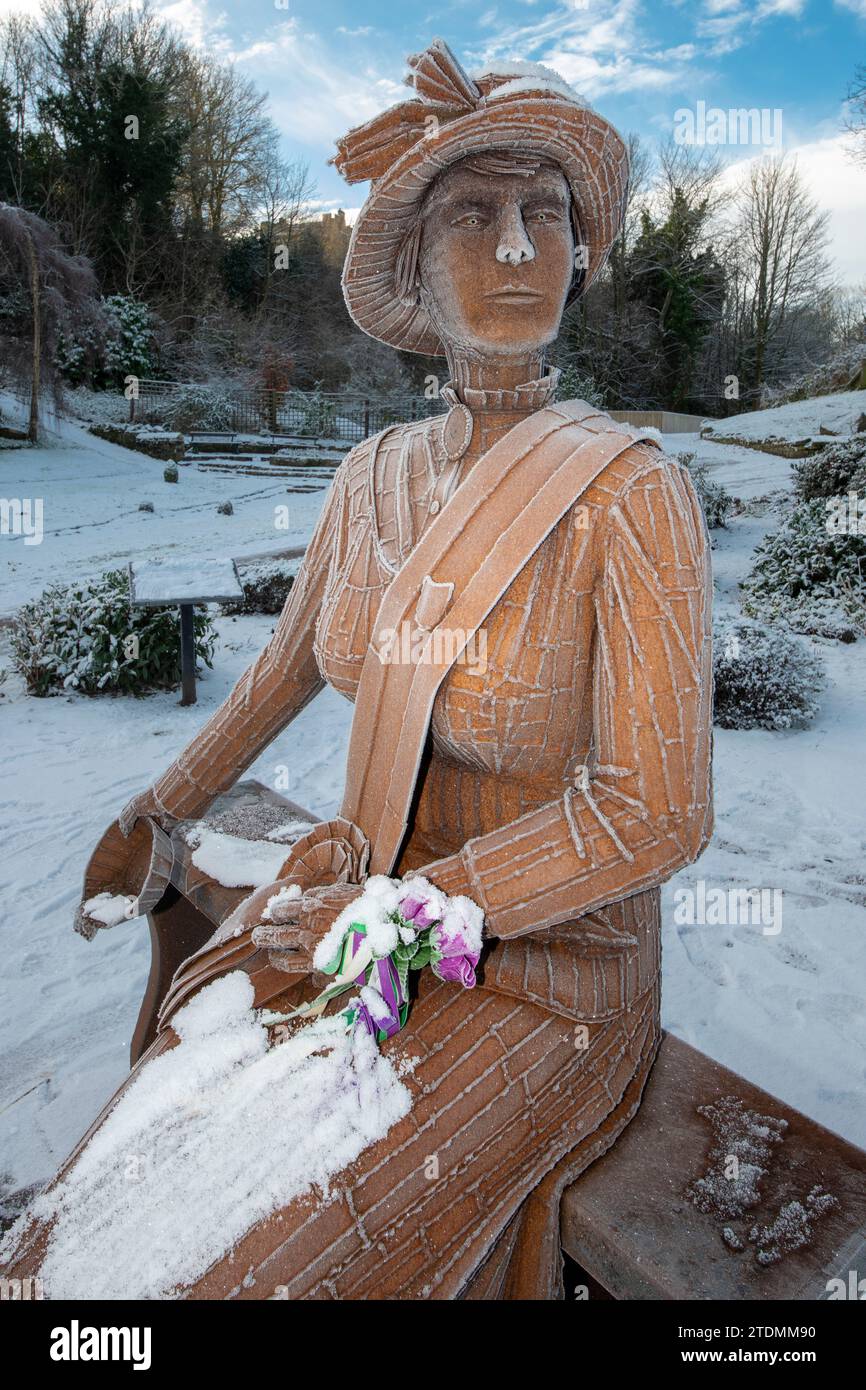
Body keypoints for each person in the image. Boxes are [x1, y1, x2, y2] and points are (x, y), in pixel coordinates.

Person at [35, 39, 716, 1299]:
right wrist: (162, 809)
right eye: (470, 212)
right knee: (114, 1202)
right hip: (350, 906)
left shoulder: (632, 495)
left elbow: (656, 807)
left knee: (255, 1265)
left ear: (580, 249)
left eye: (541, 212)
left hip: (548, 977)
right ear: (410, 265)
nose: (513, 248)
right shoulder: (370, 481)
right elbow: (281, 673)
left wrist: (412, 911)